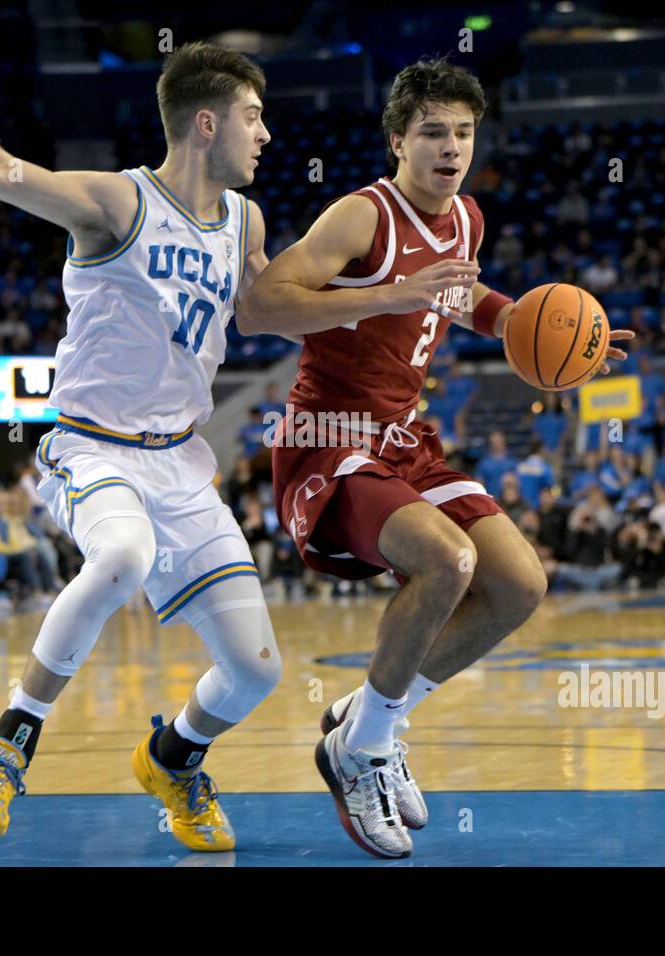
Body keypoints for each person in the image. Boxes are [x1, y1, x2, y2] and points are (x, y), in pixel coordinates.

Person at [0, 41, 280, 851]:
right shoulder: (117, 202)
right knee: (123, 558)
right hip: (93, 447)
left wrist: (397, 294)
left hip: (181, 461)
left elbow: (274, 304)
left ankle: (173, 758)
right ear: (205, 125)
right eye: (253, 117)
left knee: (258, 669)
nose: (266, 134)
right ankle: (6, 748)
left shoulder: (245, 220)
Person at [240, 56, 630, 857]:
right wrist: (390, 293)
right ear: (397, 141)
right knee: (447, 563)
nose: (450, 147)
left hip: (406, 440)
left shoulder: (467, 219)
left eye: (462, 132)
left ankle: (370, 720)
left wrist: (536, 327)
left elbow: (463, 298)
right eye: (431, 133)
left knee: (520, 585)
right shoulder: (362, 217)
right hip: (328, 440)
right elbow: (259, 308)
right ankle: (364, 754)